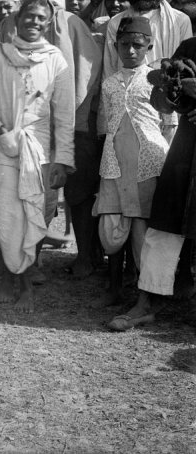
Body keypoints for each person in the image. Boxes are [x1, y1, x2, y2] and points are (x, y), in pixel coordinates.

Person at [0, 0, 102, 280]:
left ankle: (60, 258)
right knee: (16, 192)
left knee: (61, 194)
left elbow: (86, 72)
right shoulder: (10, 23)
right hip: (19, 123)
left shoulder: (70, 24)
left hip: (64, 124)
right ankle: (17, 262)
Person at [0, 0, 74, 312]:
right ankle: (7, 277)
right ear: (18, 19)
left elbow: (65, 114)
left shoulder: (56, 59)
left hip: (41, 153)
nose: (34, 22)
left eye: (41, 17)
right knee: (4, 216)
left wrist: (62, 160)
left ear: (48, 22)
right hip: (5, 149)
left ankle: (26, 284)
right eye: (29, 16)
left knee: (34, 217)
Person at [107, 37, 196, 331]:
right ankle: (145, 303)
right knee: (164, 223)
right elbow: (162, 104)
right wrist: (172, 89)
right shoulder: (190, 47)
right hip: (187, 147)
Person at [93, 16, 168, 308]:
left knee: (142, 231)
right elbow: (105, 124)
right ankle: (113, 288)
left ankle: (144, 296)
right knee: (113, 226)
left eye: (137, 45)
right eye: (125, 45)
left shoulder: (156, 82)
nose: (131, 51)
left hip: (148, 163)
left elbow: (167, 125)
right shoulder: (110, 84)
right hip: (114, 163)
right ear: (116, 46)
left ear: (148, 45)